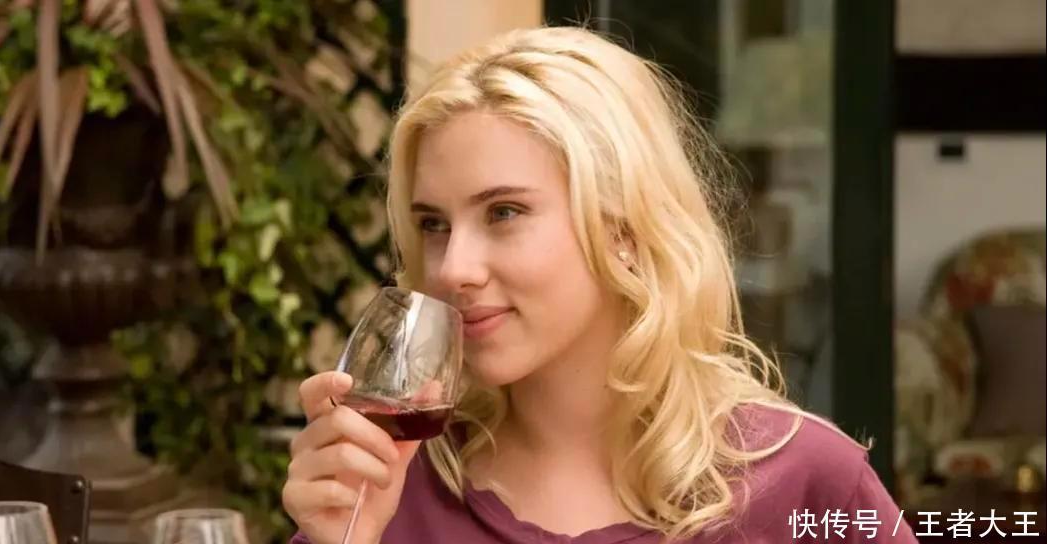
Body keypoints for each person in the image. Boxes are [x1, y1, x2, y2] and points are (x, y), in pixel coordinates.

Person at [284, 26, 916, 544]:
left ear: (624, 227)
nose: (453, 269)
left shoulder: (806, 487)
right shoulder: (385, 486)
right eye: (433, 224)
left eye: (503, 212)